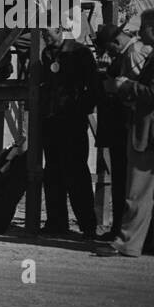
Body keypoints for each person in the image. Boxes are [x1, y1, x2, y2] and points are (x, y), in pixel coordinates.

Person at [96, 9, 154, 258]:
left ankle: (127, 243)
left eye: (143, 27)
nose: (138, 32)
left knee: (138, 191)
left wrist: (125, 86)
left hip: (149, 131)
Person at [38, 25, 99, 238]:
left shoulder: (79, 52)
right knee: (52, 173)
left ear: (60, 29)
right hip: (51, 121)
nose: (45, 36)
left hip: (72, 121)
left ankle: (88, 226)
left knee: (77, 174)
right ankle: (56, 223)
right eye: (43, 33)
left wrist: (82, 109)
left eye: (49, 31)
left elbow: (93, 85)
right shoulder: (46, 54)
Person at [93, 23, 151, 239]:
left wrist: (113, 85)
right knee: (121, 180)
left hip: (126, 125)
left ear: (116, 43)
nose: (110, 54)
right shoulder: (127, 54)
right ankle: (120, 228)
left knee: (126, 181)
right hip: (122, 125)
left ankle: (125, 230)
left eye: (110, 49)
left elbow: (137, 90)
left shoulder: (133, 54)